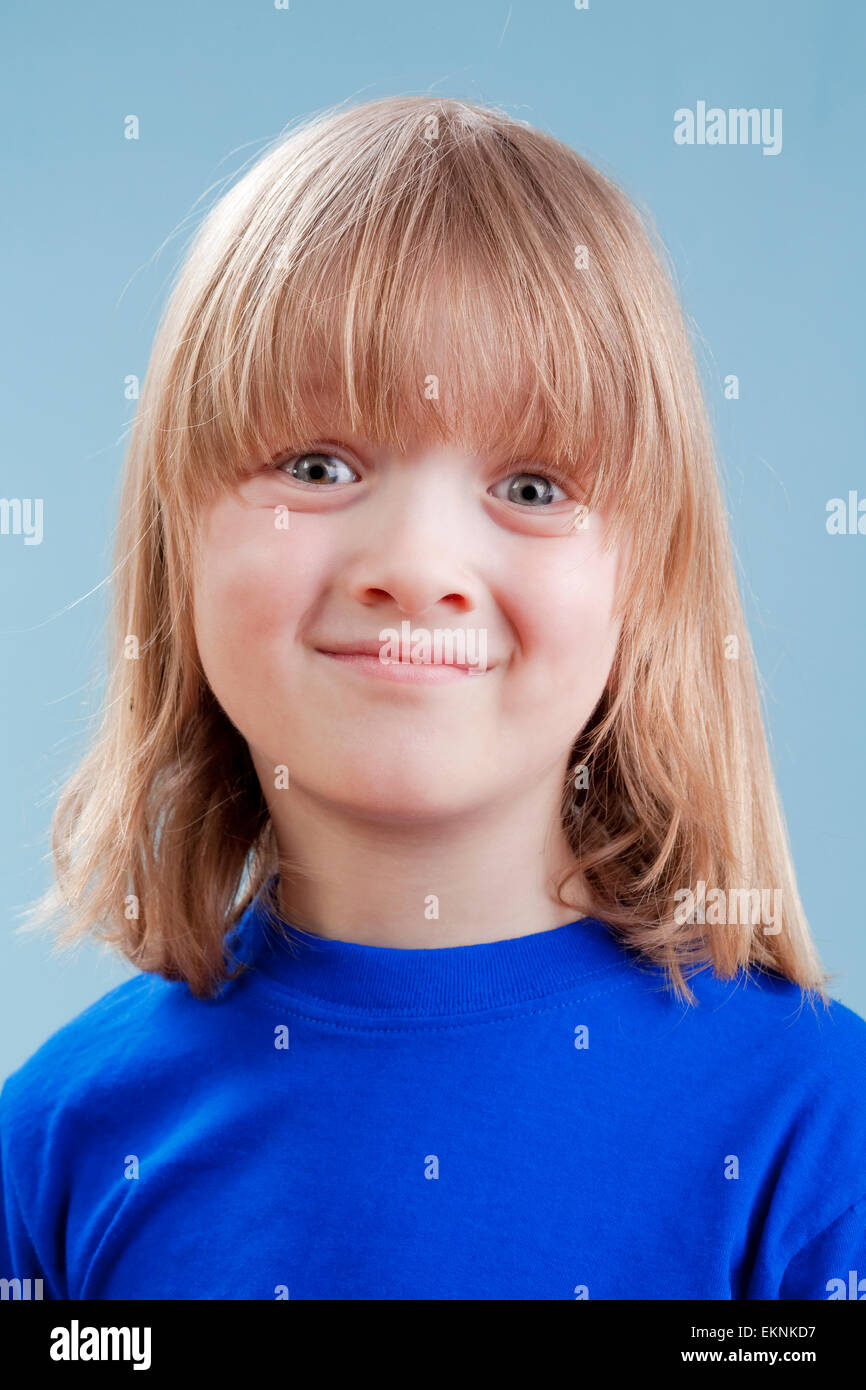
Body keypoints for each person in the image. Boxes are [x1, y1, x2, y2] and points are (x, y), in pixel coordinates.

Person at [1, 94, 864, 1301]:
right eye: (315, 466)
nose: (412, 561)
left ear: (647, 586)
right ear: (176, 544)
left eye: (529, 483)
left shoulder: (817, 1136)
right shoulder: (58, 1141)